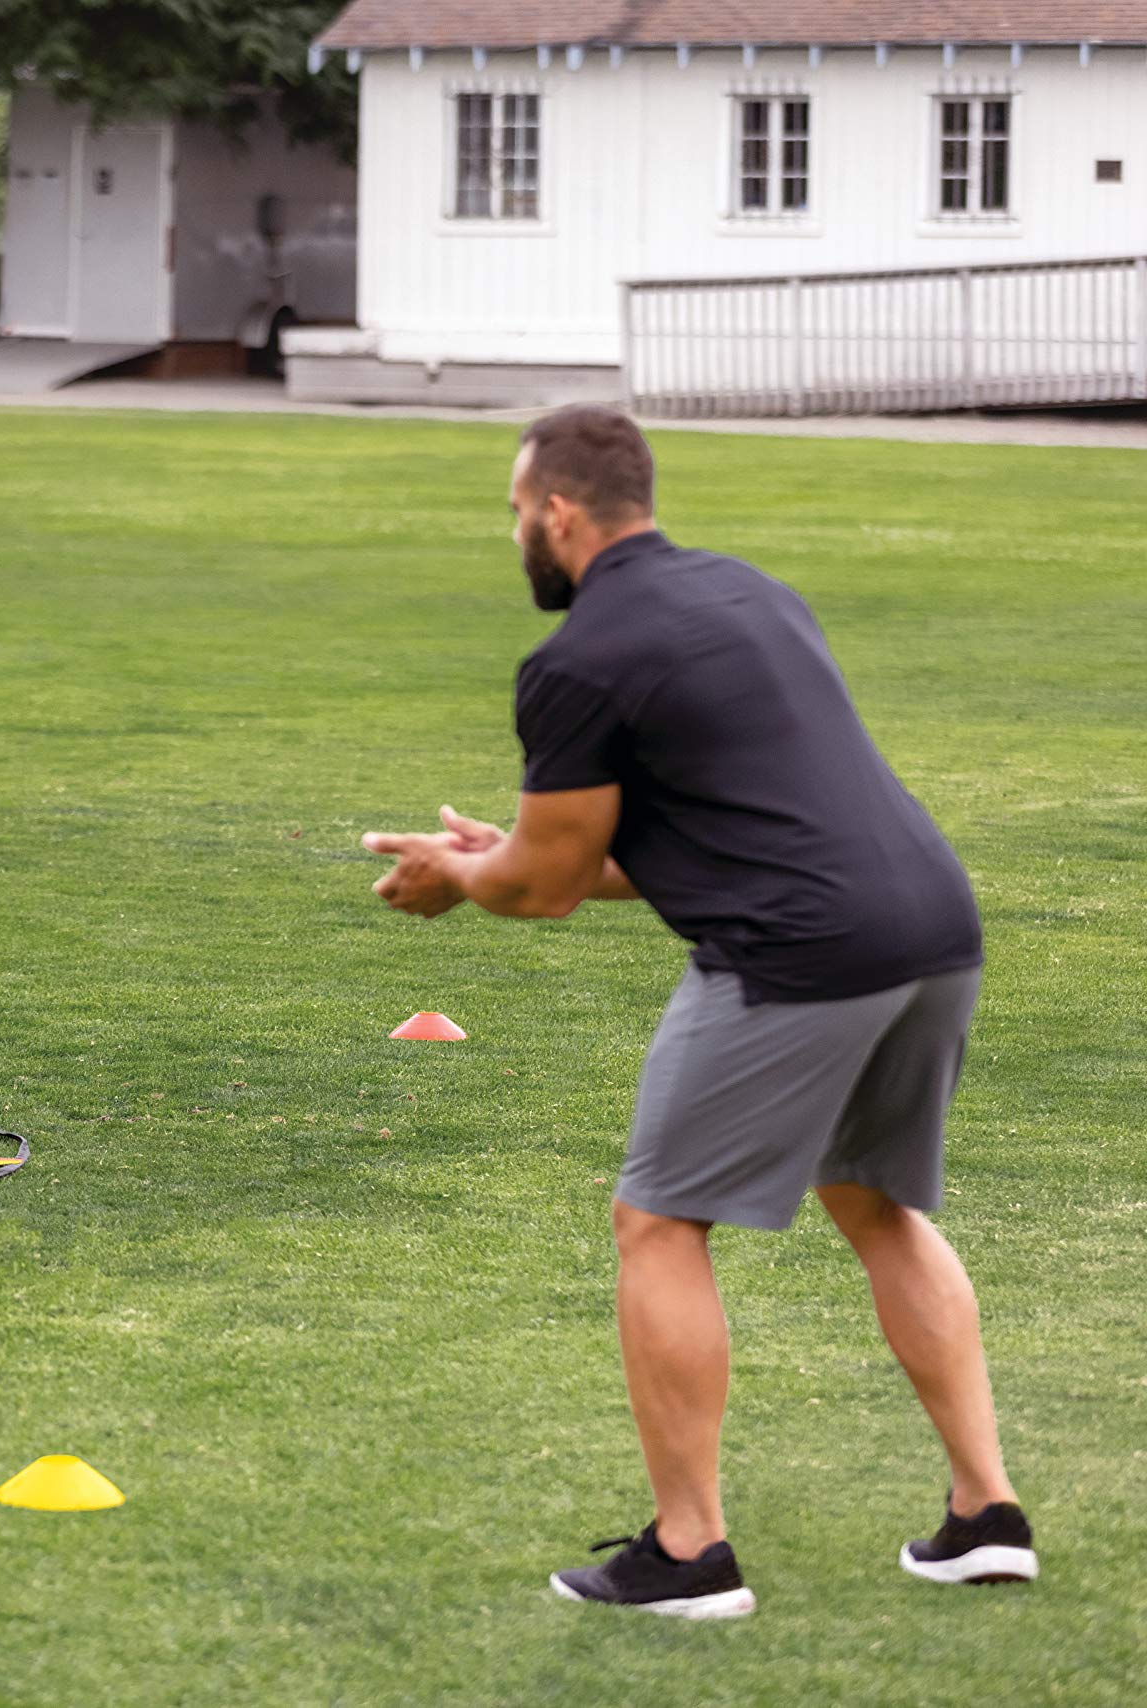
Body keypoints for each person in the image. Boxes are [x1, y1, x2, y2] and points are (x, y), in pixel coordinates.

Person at [362, 405, 1031, 1618]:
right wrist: (512, 849)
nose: (517, 532)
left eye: (518, 513)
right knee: (876, 1206)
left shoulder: (576, 658)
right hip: (931, 924)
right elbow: (681, 838)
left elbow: (548, 889)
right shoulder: (749, 593)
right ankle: (986, 1511)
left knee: (657, 1220)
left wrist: (462, 872)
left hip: (800, 952)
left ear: (557, 513)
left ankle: (687, 1552)